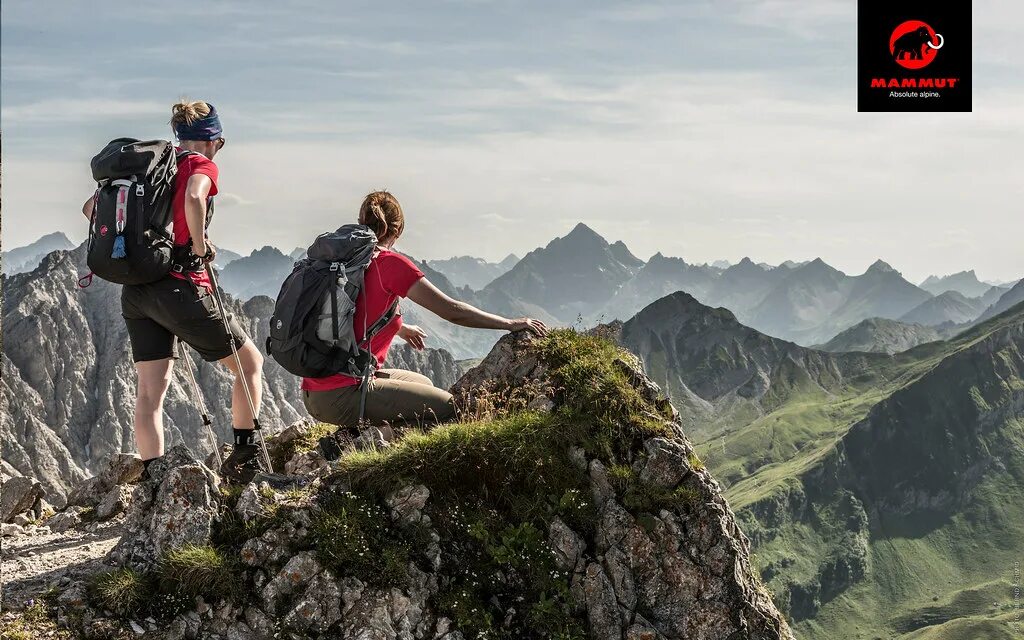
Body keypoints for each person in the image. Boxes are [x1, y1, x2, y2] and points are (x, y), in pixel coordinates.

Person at [80, 99, 264, 482]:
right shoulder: (200, 164)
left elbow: (89, 209)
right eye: (220, 142)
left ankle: (154, 478)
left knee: (150, 392)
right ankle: (245, 461)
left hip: (136, 292)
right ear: (212, 139)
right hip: (180, 288)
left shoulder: (152, 168)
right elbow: (195, 196)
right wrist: (199, 244)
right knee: (249, 364)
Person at [302, 191, 547, 432]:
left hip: (316, 389)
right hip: (343, 392)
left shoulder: (343, 262)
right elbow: (453, 311)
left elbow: (350, 313)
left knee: (424, 384)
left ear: (361, 222)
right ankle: (353, 443)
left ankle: (359, 434)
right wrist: (509, 323)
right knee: (453, 411)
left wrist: (401, 328)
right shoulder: (390, 264)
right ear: (398, 230)